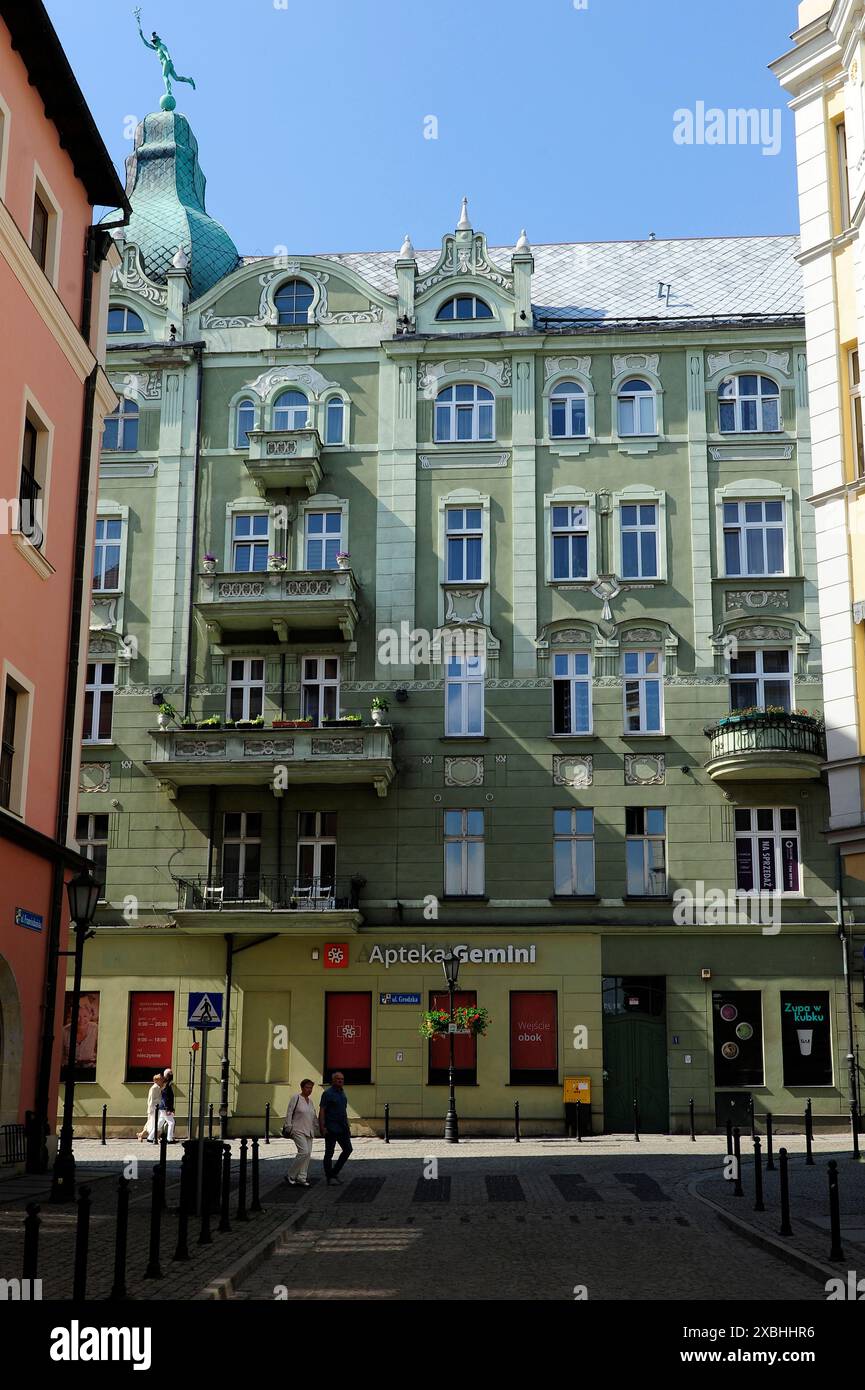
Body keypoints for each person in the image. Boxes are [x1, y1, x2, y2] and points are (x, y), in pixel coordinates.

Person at [318, 1072, 352, 1186]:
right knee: (329, 1153)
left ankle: (334, 1173)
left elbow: (343, 1111)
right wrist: (322, 1127)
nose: (340, 1081)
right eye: (338, 1079)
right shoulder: (327, 1094)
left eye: (342, 1079)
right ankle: (329, 1177)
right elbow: (322, 1110)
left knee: (348, 1149)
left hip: (343, 1128)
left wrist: (347, 1125)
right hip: (331, 1128)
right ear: (333, 1080)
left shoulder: (342, 1093)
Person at [282, 1078, 317, 1186]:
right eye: (307, 1087)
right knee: (304, 1152)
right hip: (297, 1129)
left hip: (309, 1131)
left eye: (311, 1088)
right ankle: (290, 1175)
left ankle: (302, 1177)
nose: (309, 1090)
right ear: (302, 1087)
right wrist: (288, 1126)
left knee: (307, 1155)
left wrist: (319, 1127)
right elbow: (289, 1112)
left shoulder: (310, 1102)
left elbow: (313, 1116)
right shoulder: (296, 1098)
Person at [139, 1072, 164, 1143]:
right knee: (153, 1123)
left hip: (156, 1108)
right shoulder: (154, 1088)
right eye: (160, 1079)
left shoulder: (157, 1087)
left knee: (151, 1123)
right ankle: (154, 1137)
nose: (162, 1080)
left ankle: (142, 1134)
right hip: (154, 1109)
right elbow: (151, 1099)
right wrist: (152, 1109)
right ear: (156, 1080)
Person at [157, 1068, 176, 1143]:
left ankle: (151, 1137)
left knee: (160, 1123)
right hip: (165, 1107)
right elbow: (166, 1098)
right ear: (167, 1076)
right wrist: (168, 1109)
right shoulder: (167, 1085)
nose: (172, 1075)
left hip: (163, 1107)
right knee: (171, 1123)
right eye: (170, 1073)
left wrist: (171, 1108)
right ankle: (169, 1139)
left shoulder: (166, 1084)